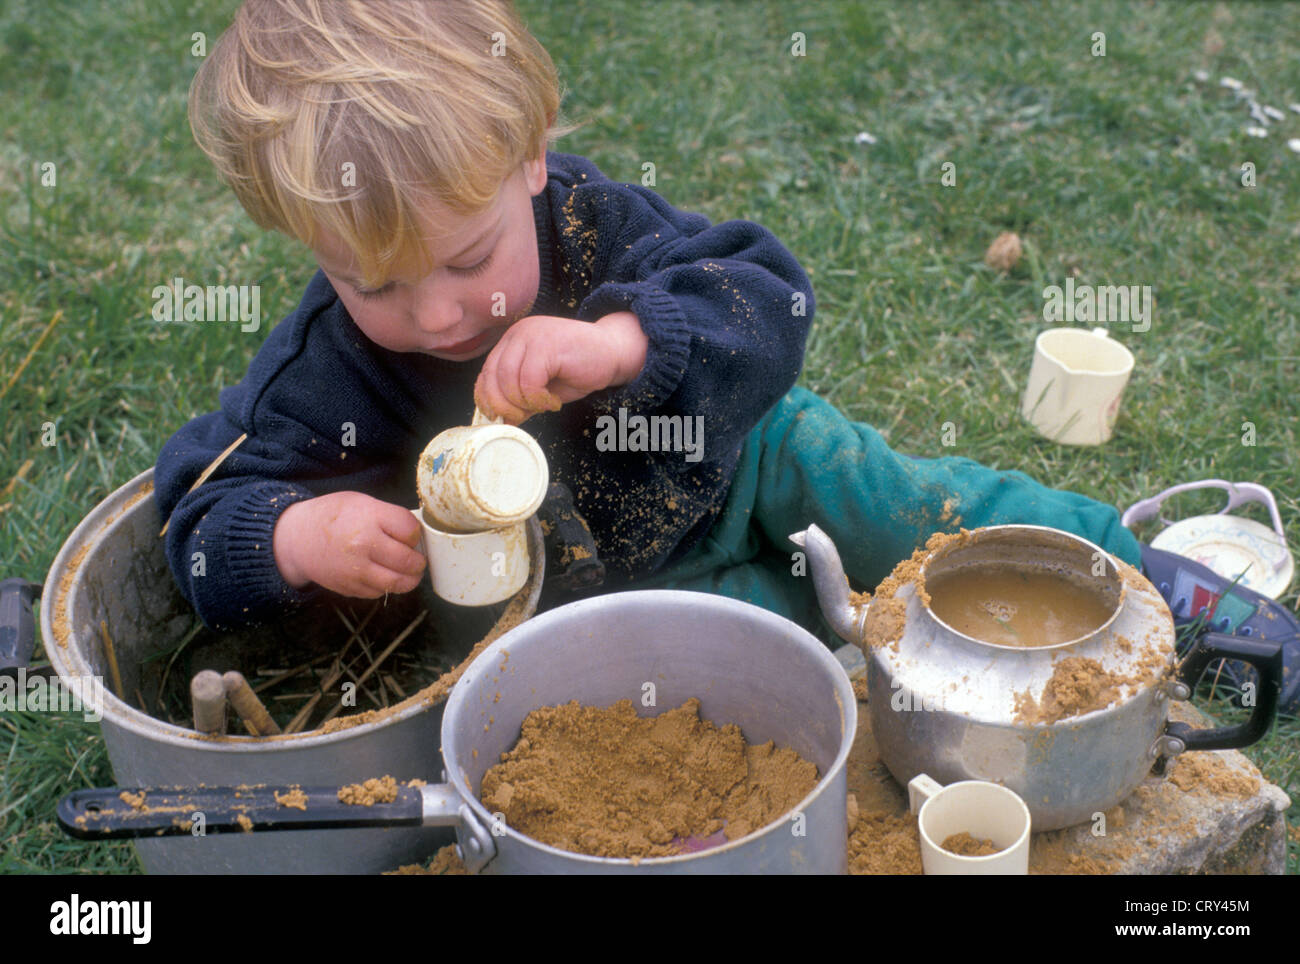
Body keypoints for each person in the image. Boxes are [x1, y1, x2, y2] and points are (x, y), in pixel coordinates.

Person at [153, 0, 1164, 655]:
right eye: (370, 281)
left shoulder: (597, 226)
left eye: (468, 260)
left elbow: (769, 297)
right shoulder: (323, 369)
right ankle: (855, 646)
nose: (437, 312)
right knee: (745, 658)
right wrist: (291, 534)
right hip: (597, 597)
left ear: (531, 158)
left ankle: (1133, 573)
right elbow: (193, 519)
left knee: (896, 503)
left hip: (739, 458)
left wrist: (625, 341)